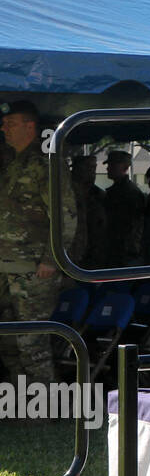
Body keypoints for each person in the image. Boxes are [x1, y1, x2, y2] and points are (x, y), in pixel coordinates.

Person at [0, 101, 76, 383]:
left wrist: (51, 259)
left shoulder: (45, 164)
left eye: (11, 123)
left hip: (34, 268)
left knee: (31, 343)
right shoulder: (12, 164)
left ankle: (43, 409)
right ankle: (24, 404)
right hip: (8, 268)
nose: (4, 128)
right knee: (8, 341)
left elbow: (65, 215)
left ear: (30, 126)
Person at [103, 149, 146, 266]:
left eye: (113, 165)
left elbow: (135, 225)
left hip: (124, 253)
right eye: (109, 164)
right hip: (114, 249)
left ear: (125, 167)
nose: (108, 168)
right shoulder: (116, 191)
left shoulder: (130, 193)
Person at [70, 154, 107, 269]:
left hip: (95, 254)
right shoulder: (66, 193)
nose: (92, 172)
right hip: (70, 254)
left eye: (93, 168)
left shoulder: (99, 195)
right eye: (87, 168)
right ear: (76, 169)